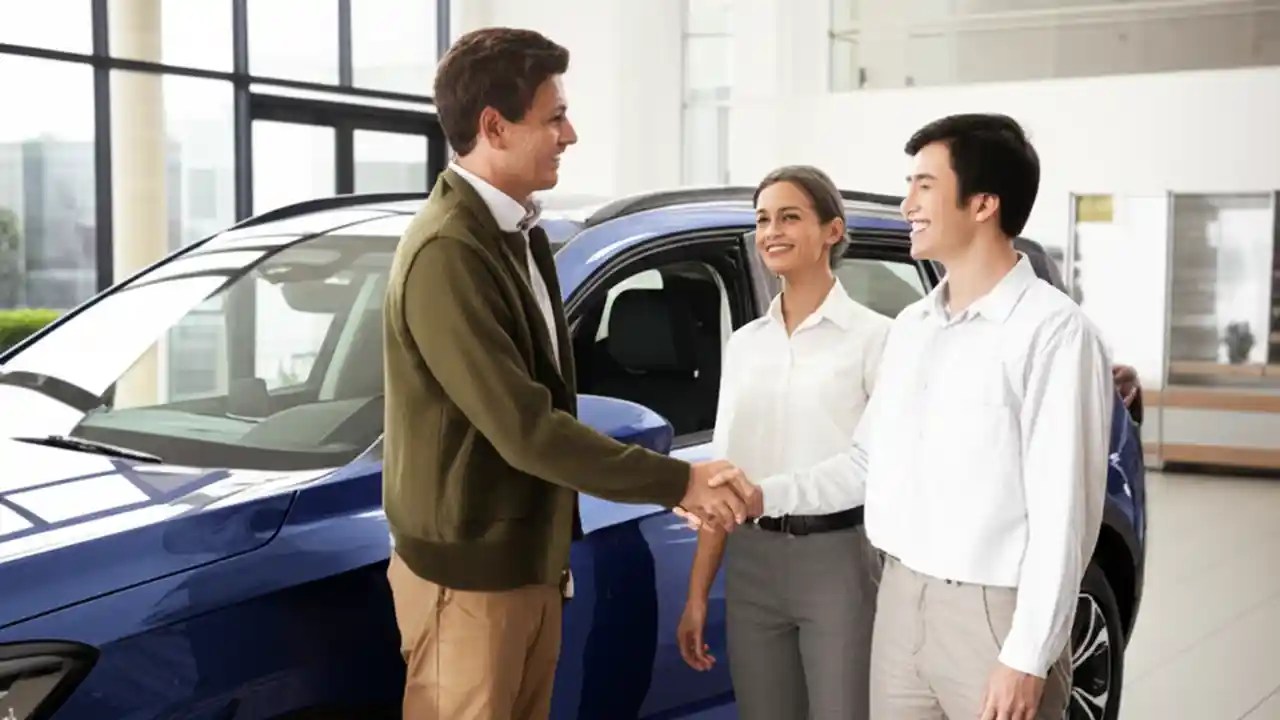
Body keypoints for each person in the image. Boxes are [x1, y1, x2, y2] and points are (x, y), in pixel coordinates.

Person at [381, 27, 746, 720]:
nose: (569, 134)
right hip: (470, 584)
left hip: (524, 568)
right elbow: (525, 428)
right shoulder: (448, 252)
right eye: (554, 117)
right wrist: (680, 481)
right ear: (494, 126)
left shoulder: (519, 235)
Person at [701, 113, 1115, 720]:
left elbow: (1066, 516)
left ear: (982, 204)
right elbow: (866, 462)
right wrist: (762, 496)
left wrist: (1027, 655)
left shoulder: (1053, 332)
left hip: (990, 611)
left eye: (924, 185)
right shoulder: (917, 327)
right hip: (899, 599)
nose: (906, 205)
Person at [675, 166, 890, 719]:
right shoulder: (746, 345)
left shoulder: (875, 339)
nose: (772, 230)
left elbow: (872, 467)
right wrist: (698, 593)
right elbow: (724, 470)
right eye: (763, 219)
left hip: (838, 559)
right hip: (751, 560)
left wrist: (764, 493)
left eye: (790, 216)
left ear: (832, 231)